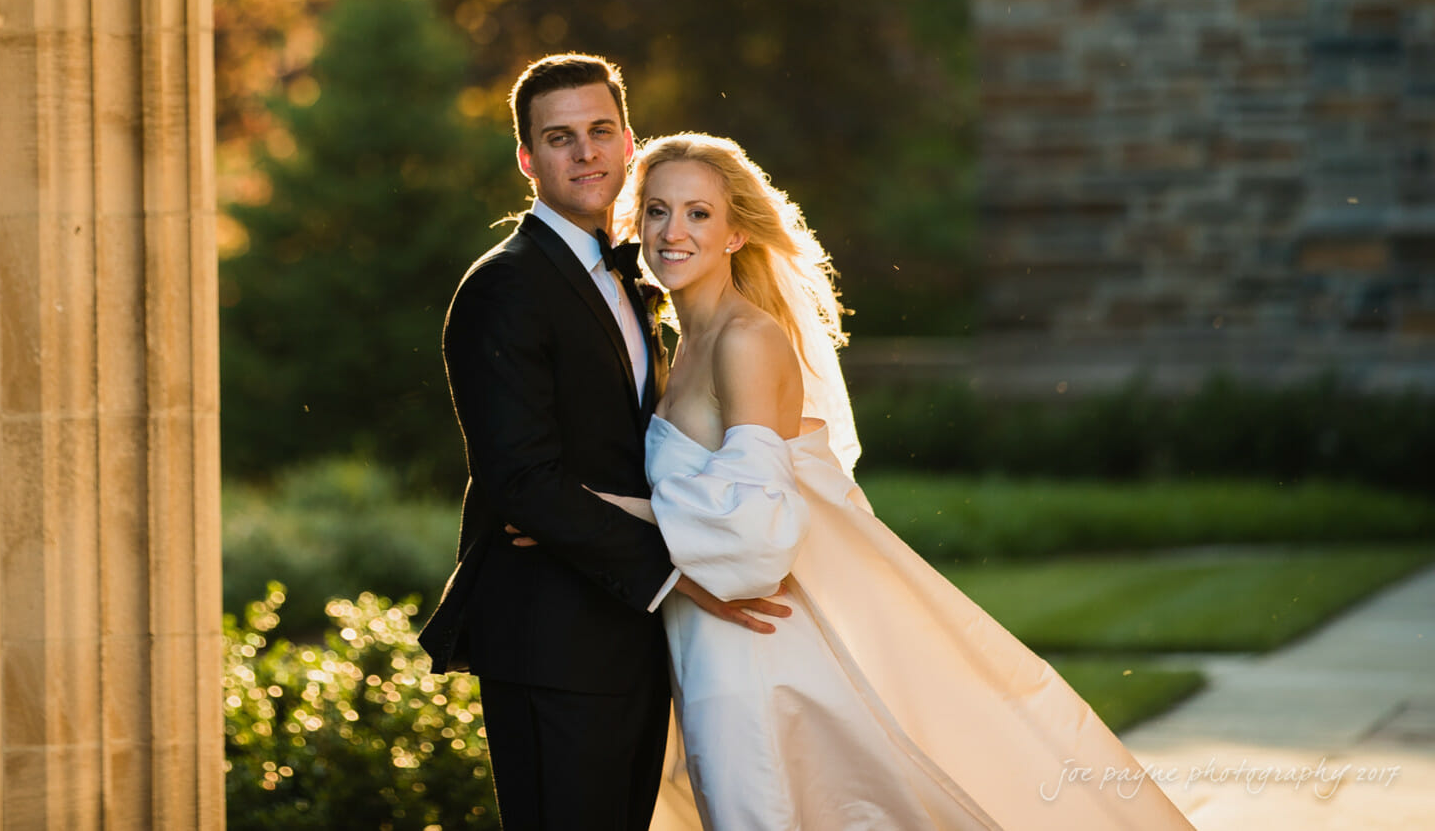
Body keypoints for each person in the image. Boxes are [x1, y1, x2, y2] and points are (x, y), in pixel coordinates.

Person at [588, 131, 1197, 830]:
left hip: (755, 652)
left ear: (734, 234)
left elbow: (756, 533)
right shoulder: (680, 344)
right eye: (658, 210)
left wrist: (598, 510)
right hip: (702, 641)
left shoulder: (744, 340)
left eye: (698, 213)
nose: (674, 231)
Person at [418, 55, 791, 831]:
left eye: (598, 131)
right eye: (559, 137)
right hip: (551, 643)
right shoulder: (503, 287)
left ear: (627, 142)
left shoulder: (637, 279)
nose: (584, 152)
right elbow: (523, 482)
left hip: (630, 640)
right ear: (528, 159)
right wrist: (676, 574)